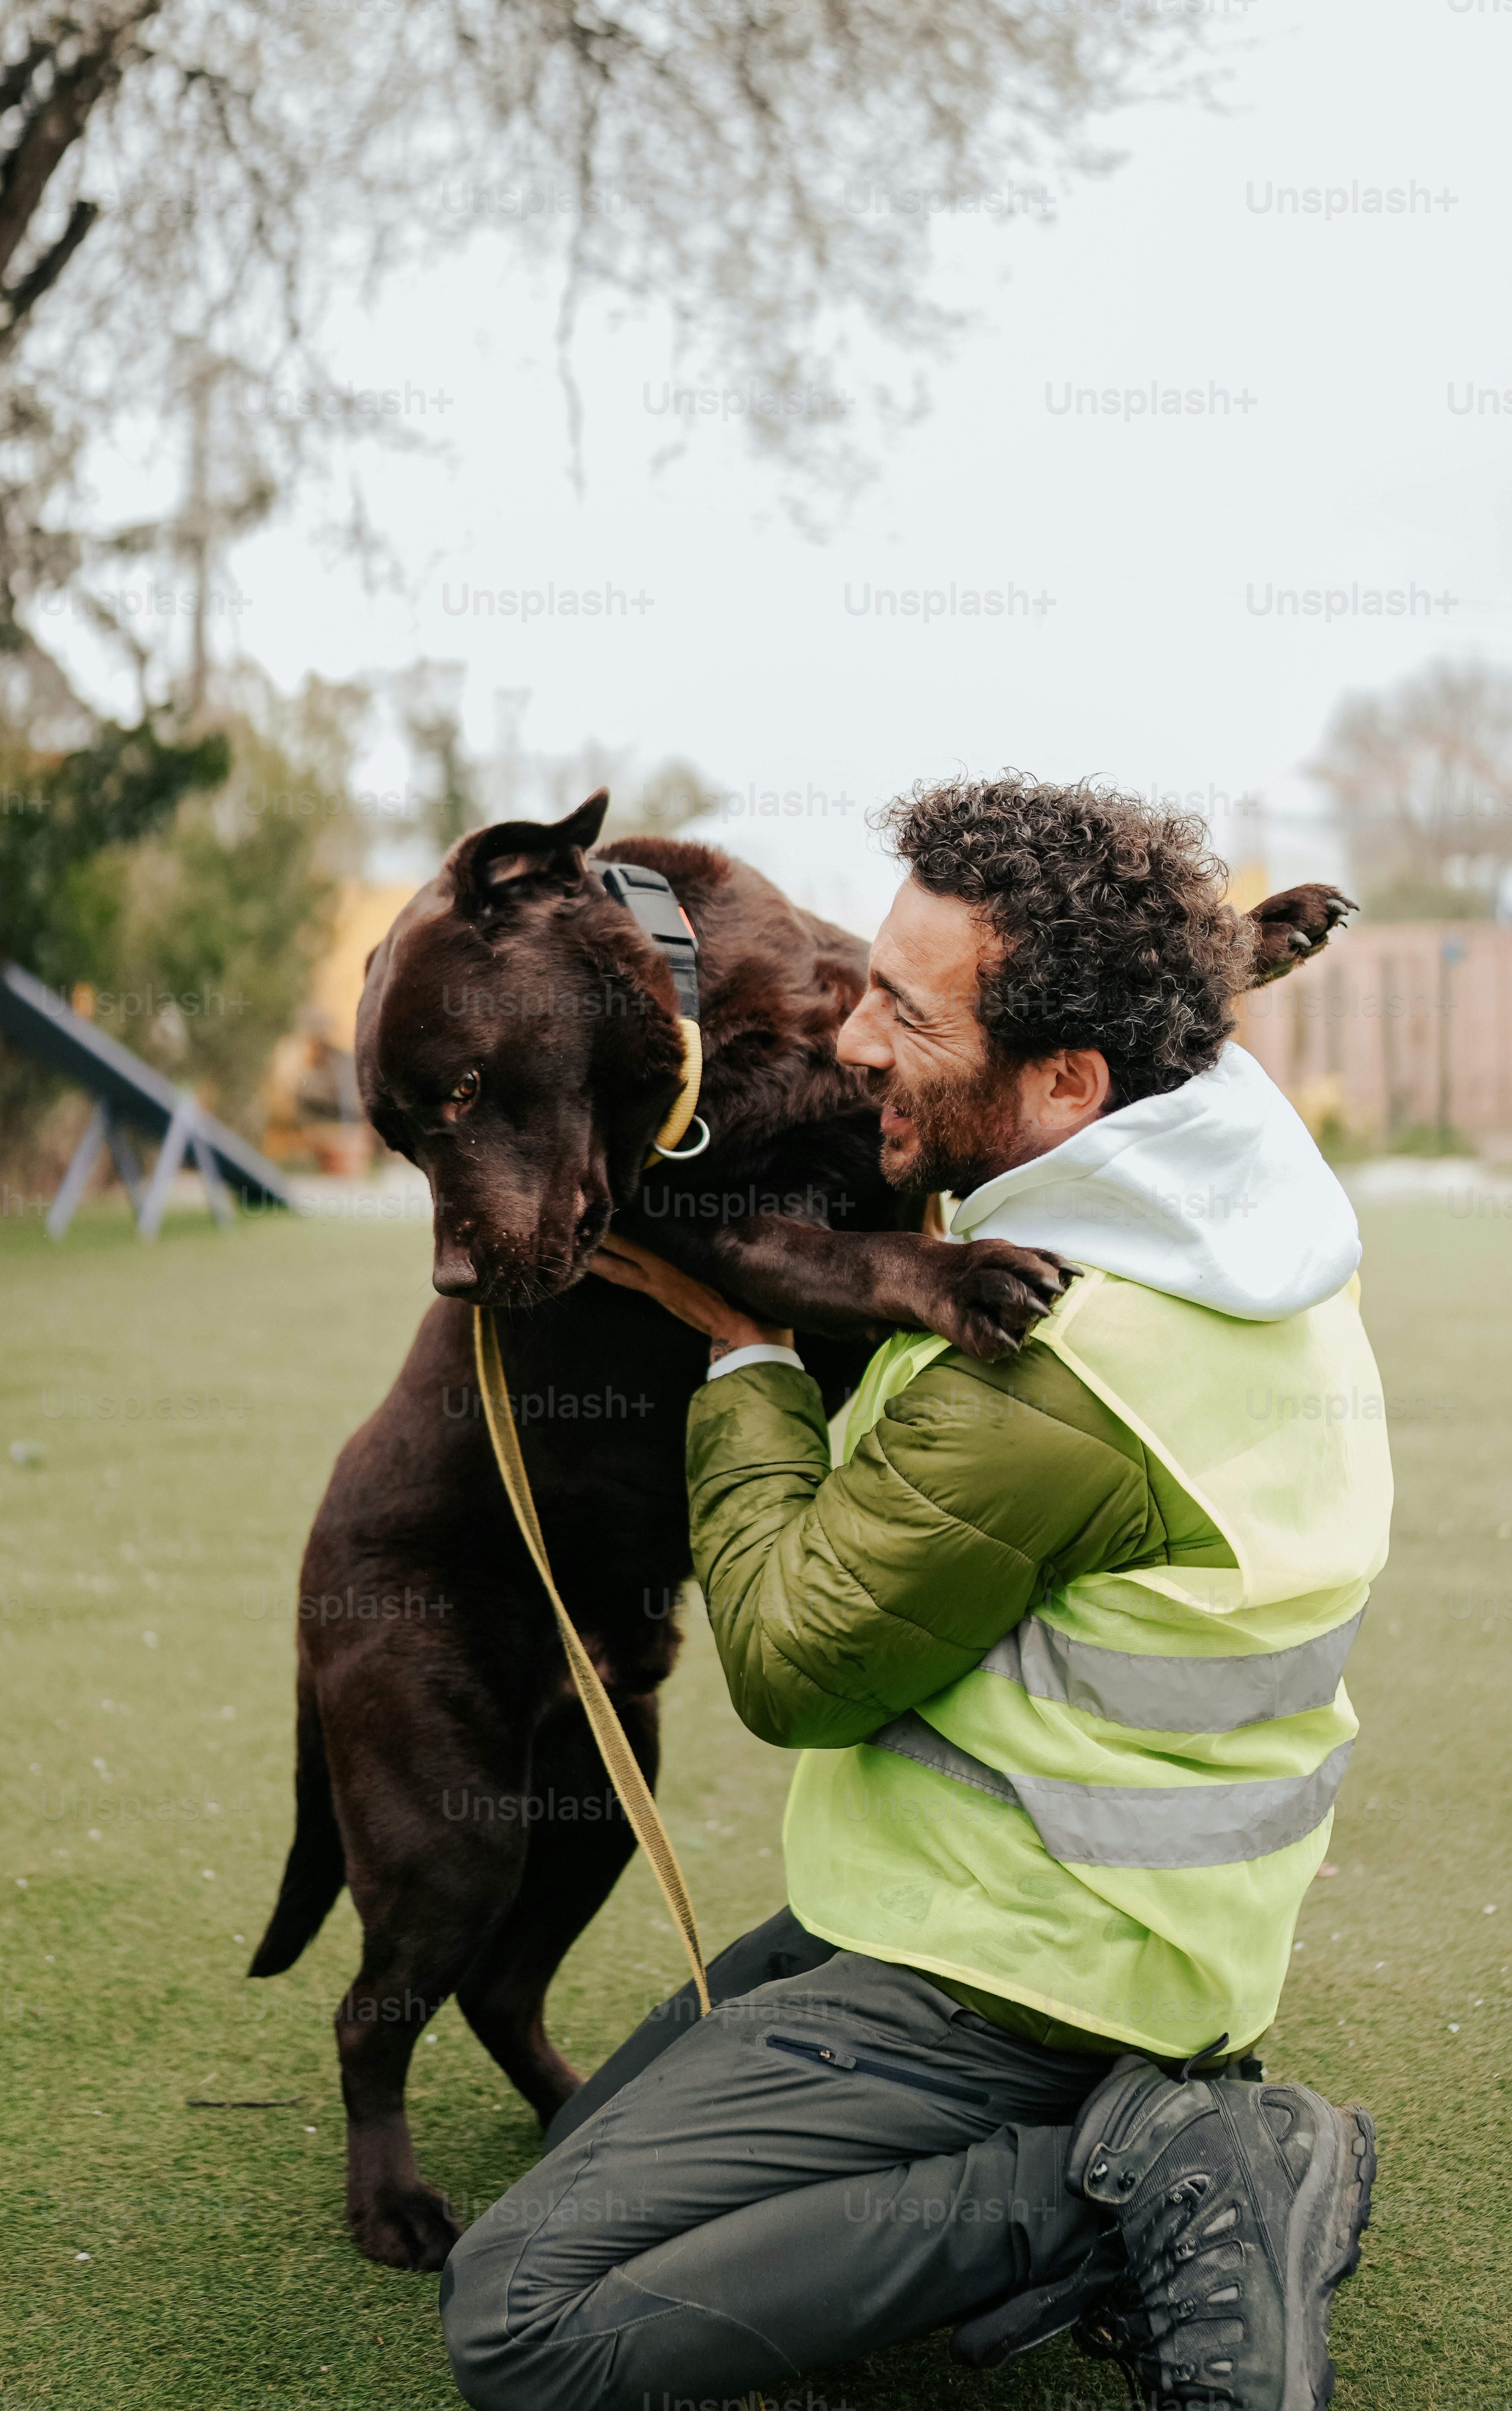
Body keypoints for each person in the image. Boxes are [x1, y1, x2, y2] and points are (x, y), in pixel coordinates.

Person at [440, 776, 1391, 2411]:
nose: (852, 1043)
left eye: (902, 1011)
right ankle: (1117, 2125)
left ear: (1065, 1078)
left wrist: (738, 1350)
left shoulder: (1050, 1366)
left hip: (1023, 1967)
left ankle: (1139, 2173)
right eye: (868, 982)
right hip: (1034, 1906)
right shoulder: (1209, 1200)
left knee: (522, 2317)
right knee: (590, 2154)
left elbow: (801, 1666)